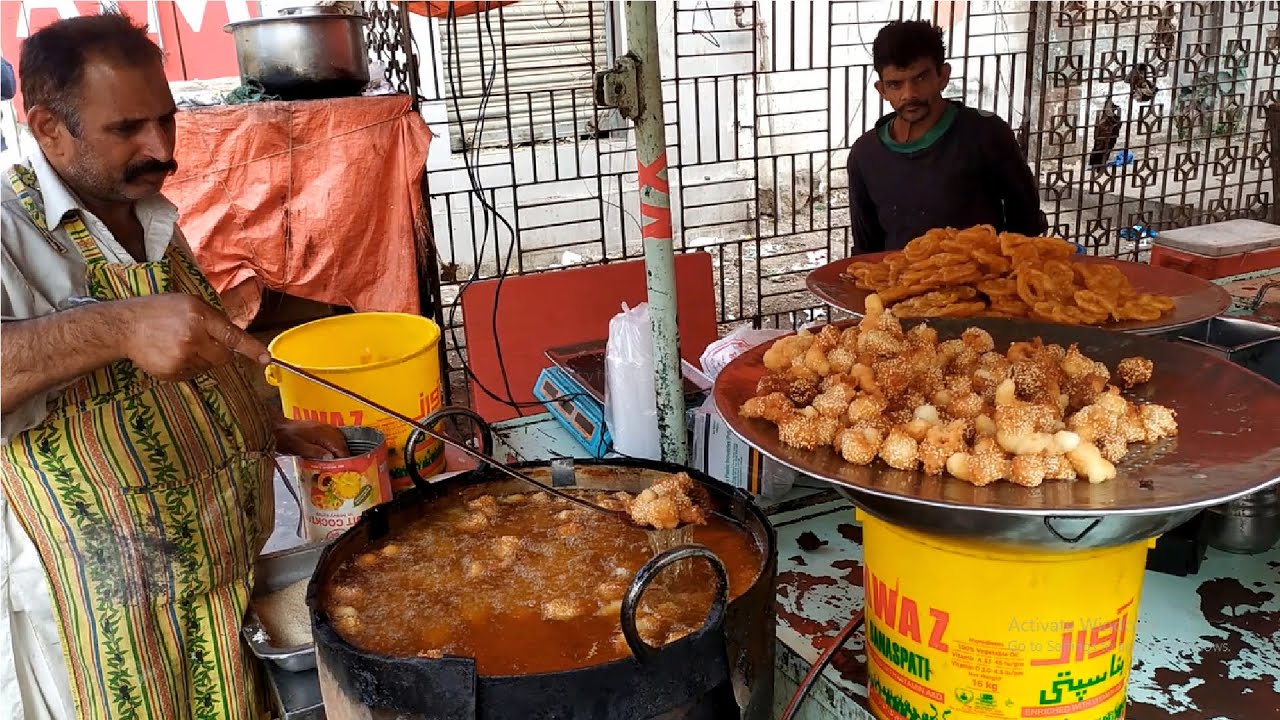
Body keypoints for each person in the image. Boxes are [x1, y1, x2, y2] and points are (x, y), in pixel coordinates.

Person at [0, 15, 349, 720]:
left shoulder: (144, 210)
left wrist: (266, 424)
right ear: (47, 127)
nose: (160, 148)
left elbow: (172, 371)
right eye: (127, 128)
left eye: (167, 119)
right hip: (105, 622)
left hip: (219, 589)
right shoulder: (11, 229)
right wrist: (118, 325)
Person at [847, 20, 1048, 253]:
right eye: (895, 84)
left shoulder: (987, 133)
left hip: (982, 284)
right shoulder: (865, 155)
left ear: (942, 76)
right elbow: (866, 247)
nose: (909, 94)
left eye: (920, 78)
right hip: (901, 286)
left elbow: (1026, 222)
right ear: (882, 90)